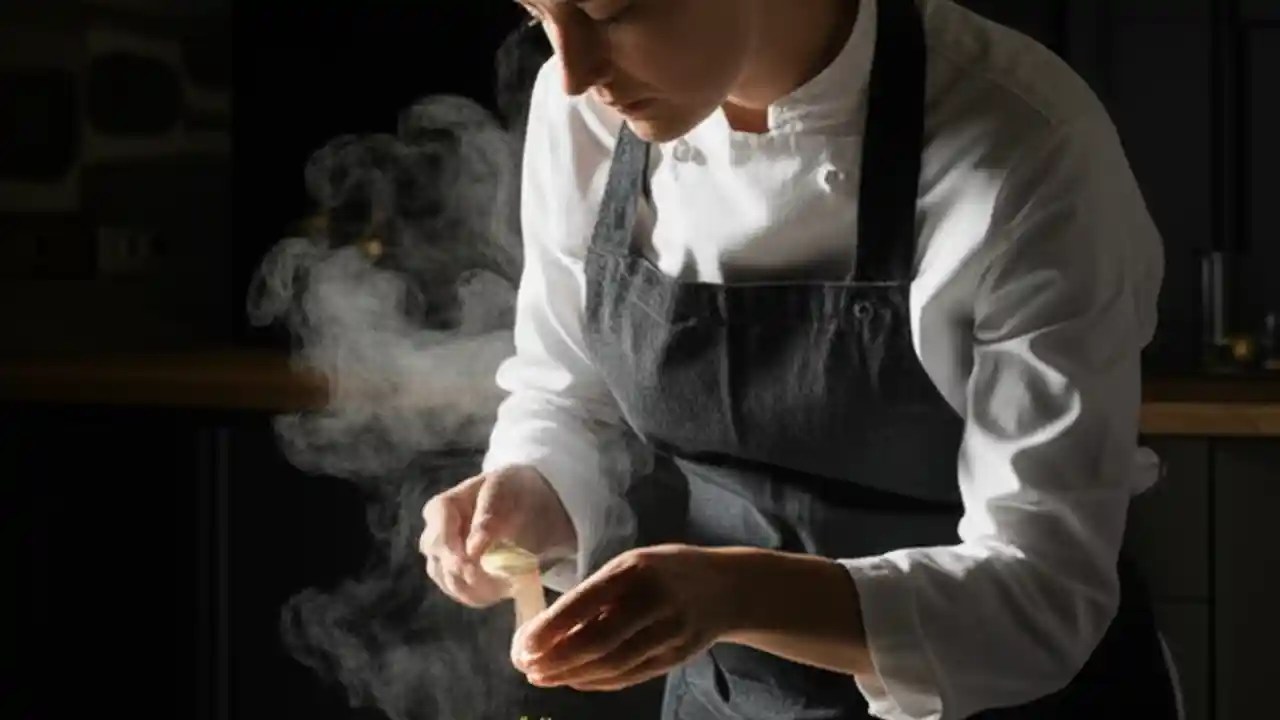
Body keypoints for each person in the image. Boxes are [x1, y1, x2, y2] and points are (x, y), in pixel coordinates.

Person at [418, 0, 1181, 718]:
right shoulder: (585, 112)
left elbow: (1042, 597)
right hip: (725, 698)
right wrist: (531, 486)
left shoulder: (1028, 141)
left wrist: (733, 595)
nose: (573, 69)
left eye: (609, 12)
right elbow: (567, 393)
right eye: (540, 14)